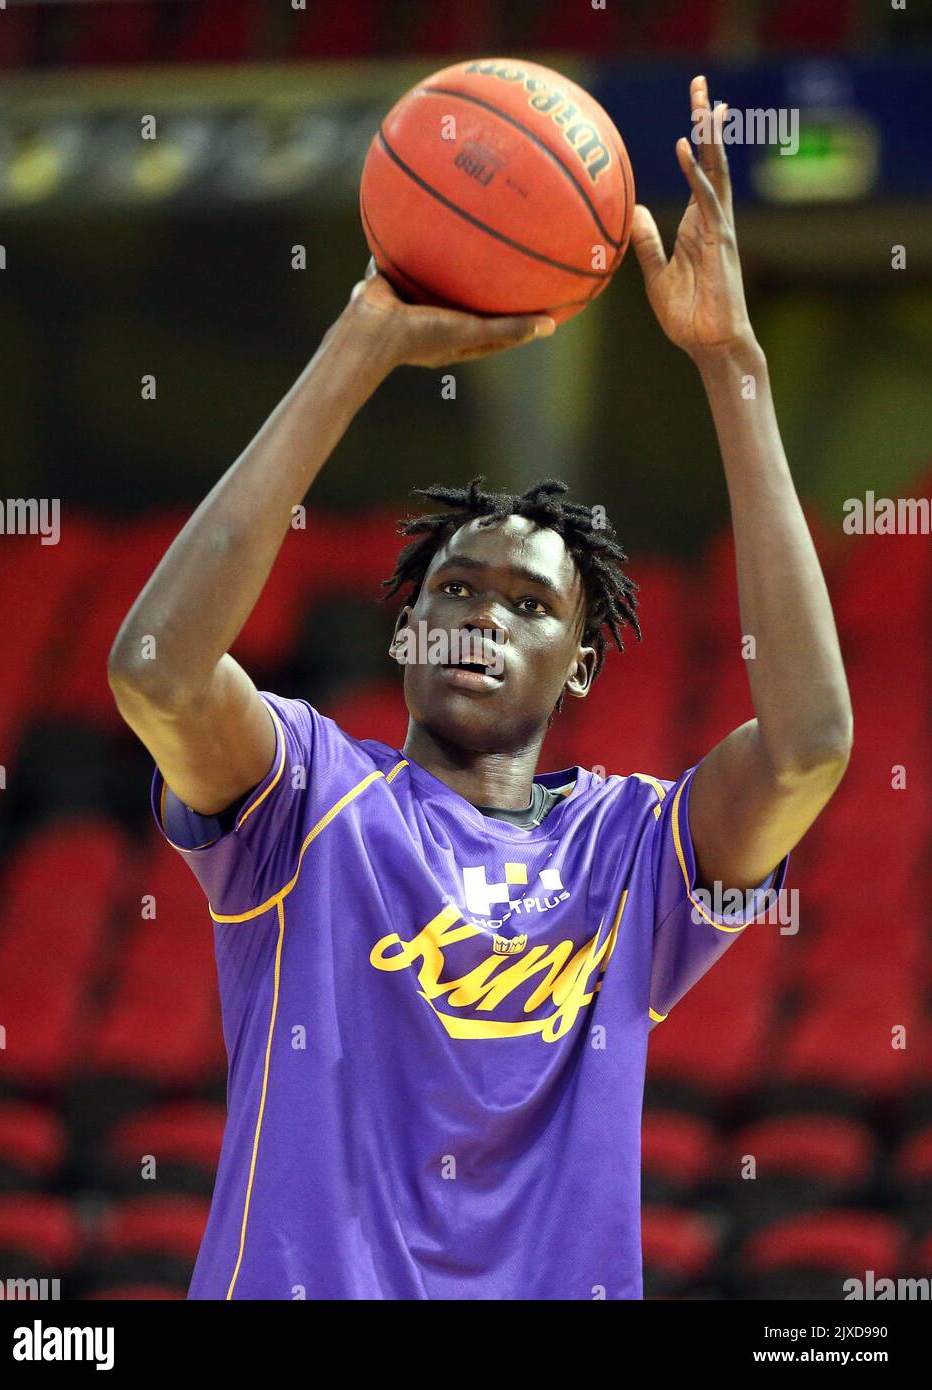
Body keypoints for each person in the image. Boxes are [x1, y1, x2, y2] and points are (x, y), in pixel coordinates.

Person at [108, 76, 851, 1300]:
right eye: (454, 592)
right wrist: (361, 346)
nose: (480, 617)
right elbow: (156, 672)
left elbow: (814, 743)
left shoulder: (631, 851)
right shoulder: (310, 800)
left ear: (583, 660)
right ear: (404, 630)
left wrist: (731, 365)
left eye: (529, 605)